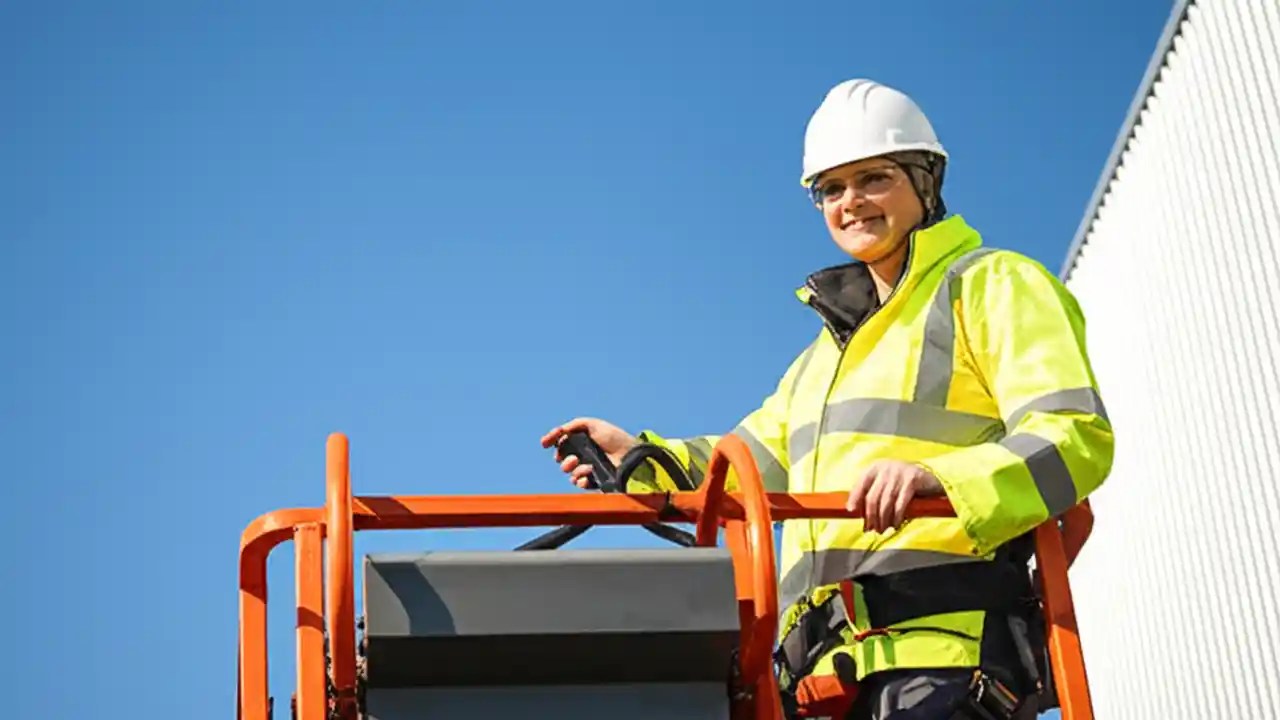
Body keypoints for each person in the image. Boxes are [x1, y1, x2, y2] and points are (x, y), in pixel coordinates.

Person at [540, 78, 1113, 719]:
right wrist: (638, 457)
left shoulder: (990, 285)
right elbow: (745, 467)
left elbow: (1074, 436)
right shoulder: (821, 360)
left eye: (875, 178)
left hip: (943, 657)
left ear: (926, 182)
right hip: (814, 679)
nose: (852, 202)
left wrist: (937, 478)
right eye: (831, 189)